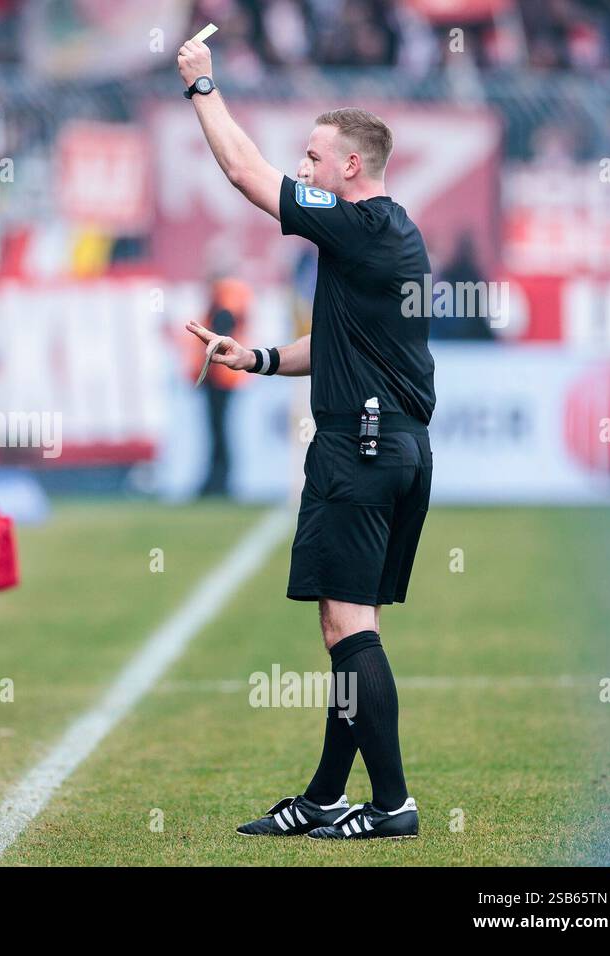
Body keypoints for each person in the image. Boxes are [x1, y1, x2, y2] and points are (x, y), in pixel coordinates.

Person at [178, 40, 434, 840]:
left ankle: (391, 805)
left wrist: (203, 87)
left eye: (316, 156)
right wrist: (252, 358)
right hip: (393, 446)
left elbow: (246, 176)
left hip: (359, 448)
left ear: (353, 167)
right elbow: (333, 348)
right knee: (351, 625)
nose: (306, 166)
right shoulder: (390, 234)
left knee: (346, 627)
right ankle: (325, 796)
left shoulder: (358, 226)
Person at [196, 277, 253, 498]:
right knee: (218, 429)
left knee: (219, 429)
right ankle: (216, 479)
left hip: (222, 373)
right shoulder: (226, 290)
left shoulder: (228, 290)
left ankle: (219, 481)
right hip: (219, 374)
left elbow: (225, 323)